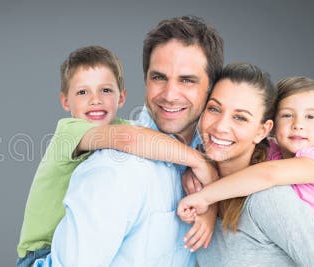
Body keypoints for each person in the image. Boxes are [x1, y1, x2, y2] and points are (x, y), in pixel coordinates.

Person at [33, 16, 224, 267]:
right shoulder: (116, 169)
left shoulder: (220, 157)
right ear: (145, 80)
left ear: (212, 88)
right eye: (159, 77)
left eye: (187, 80)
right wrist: (200, 163)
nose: (169, 95)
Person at [177, 76, 314, 266]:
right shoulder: (273, 151)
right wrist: (198, 168)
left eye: (310, 116)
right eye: (287, 115)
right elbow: (228, 153)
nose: (298, 124)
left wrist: (205, 197)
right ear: (271, 127)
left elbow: (267, 174)